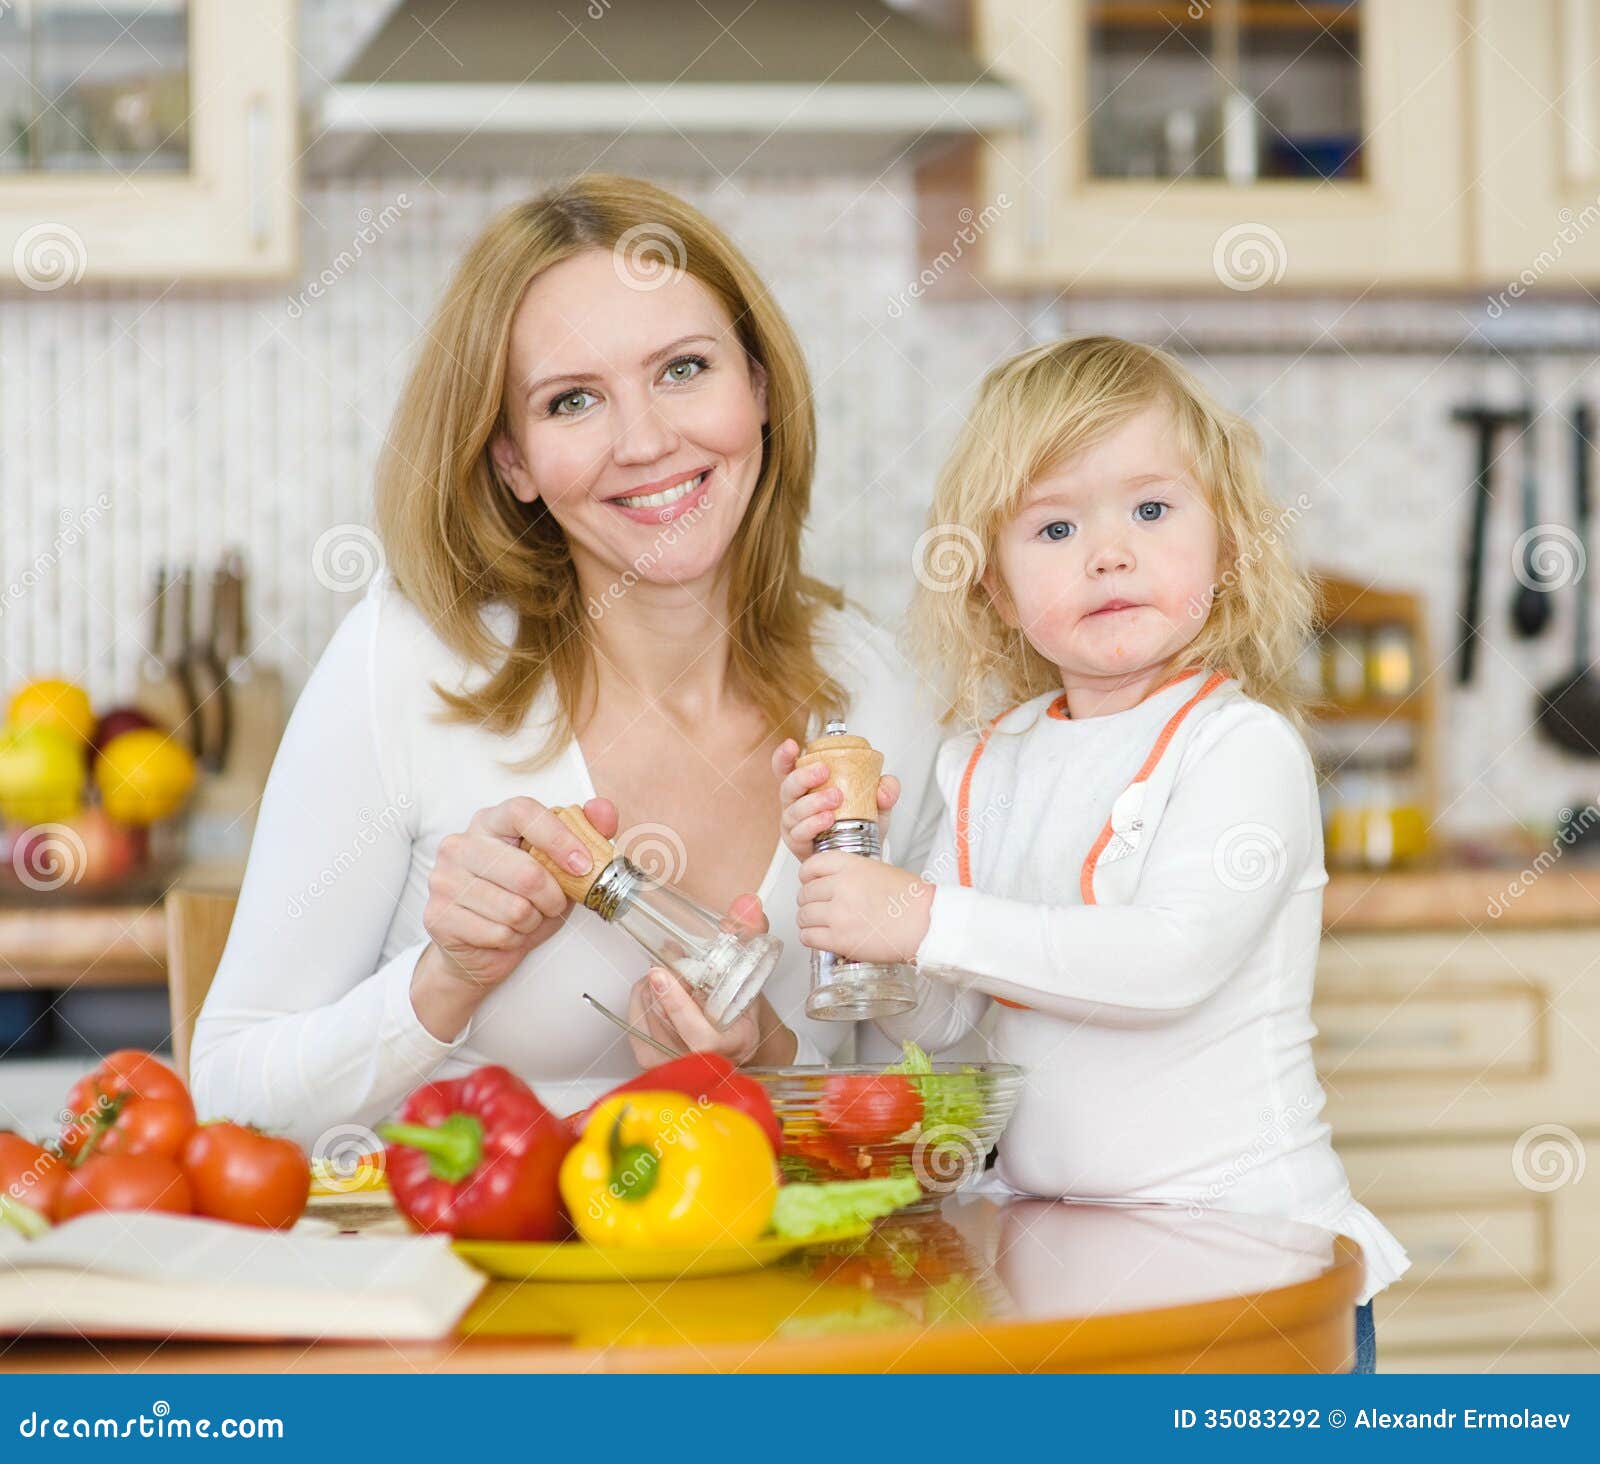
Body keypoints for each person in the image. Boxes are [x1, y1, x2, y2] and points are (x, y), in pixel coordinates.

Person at [190, 175, 940, 1148]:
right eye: (572, 400)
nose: (644, 441)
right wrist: (445, 978)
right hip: (450, 1283)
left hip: (761, 1293)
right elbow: (230, 1099)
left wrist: (763, 1062)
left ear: (756, 386)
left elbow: (922, 1121)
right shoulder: (411, 663)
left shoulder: (879, 694)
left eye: (683, 369)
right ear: (513, 462)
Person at [775, 335, 1407, 1372]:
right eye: (1055, 526)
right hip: (1066, 1266)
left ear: (1230, 545)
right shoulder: (987, 764)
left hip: (1252, 1268)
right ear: (989, 586)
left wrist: (921, 917)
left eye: (1151, 512)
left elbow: (1166, 965)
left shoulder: (1238, 747)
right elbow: (945, 1012)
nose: (1106, 553)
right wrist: (864, 908)